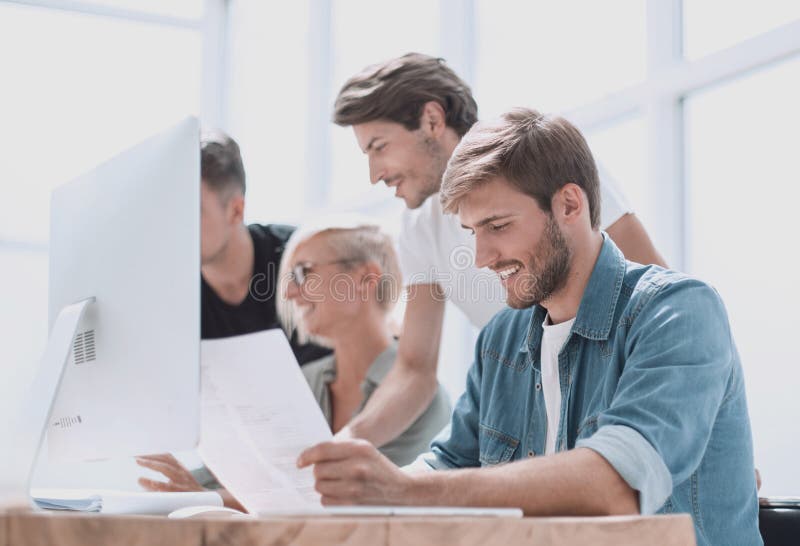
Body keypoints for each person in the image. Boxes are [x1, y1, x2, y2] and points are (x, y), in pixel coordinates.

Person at [297, 109, 761, 546]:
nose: (481, 258)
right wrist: (354, 490)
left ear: (569, 205)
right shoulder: (501, 340)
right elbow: (449, 464)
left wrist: (403, 493)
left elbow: (616, 484)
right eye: (472, 232)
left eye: (497, 226)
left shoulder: (678, 313)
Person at [330, 53, 668, 449]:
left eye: (379, 147)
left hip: (618, 408)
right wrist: (343, 447)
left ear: (433, 121)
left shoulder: (543, 164)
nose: (374, 174)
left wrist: (705, 427)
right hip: (539, 417)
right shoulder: (419, 229)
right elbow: (414, 371)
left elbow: (661, 306)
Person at [279, 219, 451, 465]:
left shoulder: (421, 399)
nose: (289, 293)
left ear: (365, 278)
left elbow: (345, 492)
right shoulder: (302, 383)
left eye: (303, 272)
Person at [199, 130, 329, 364]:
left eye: (193, 212)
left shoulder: (305, 258)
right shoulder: (170, 291)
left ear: (236, 211)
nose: (177, 225)